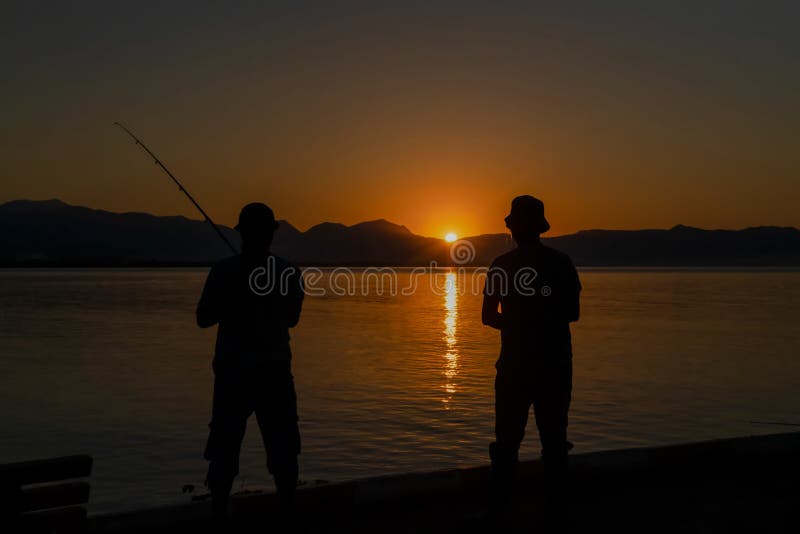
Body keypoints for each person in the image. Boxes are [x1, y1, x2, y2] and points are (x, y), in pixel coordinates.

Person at [196, 202, 304, 527]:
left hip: (233, 376)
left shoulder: (223, 271)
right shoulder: (288, 273)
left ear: (241, 234)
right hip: (275, 375)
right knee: (283, 446)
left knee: (224, 447)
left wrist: (233, 300)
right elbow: (292, 319)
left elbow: (203, 318)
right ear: (271, 235)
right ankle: (287, 511)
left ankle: (218, 513)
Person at [482, 195, 581, 527]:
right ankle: (558, 511)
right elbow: (573, 314)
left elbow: (487, 317)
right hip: (554, 366)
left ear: (513, 229)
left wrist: (515, 322)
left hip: (514, 367)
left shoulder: (500, 265)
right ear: (539, 228)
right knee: (554, 441)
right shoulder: (562, 263)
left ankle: (499, 511)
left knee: (507, 443)